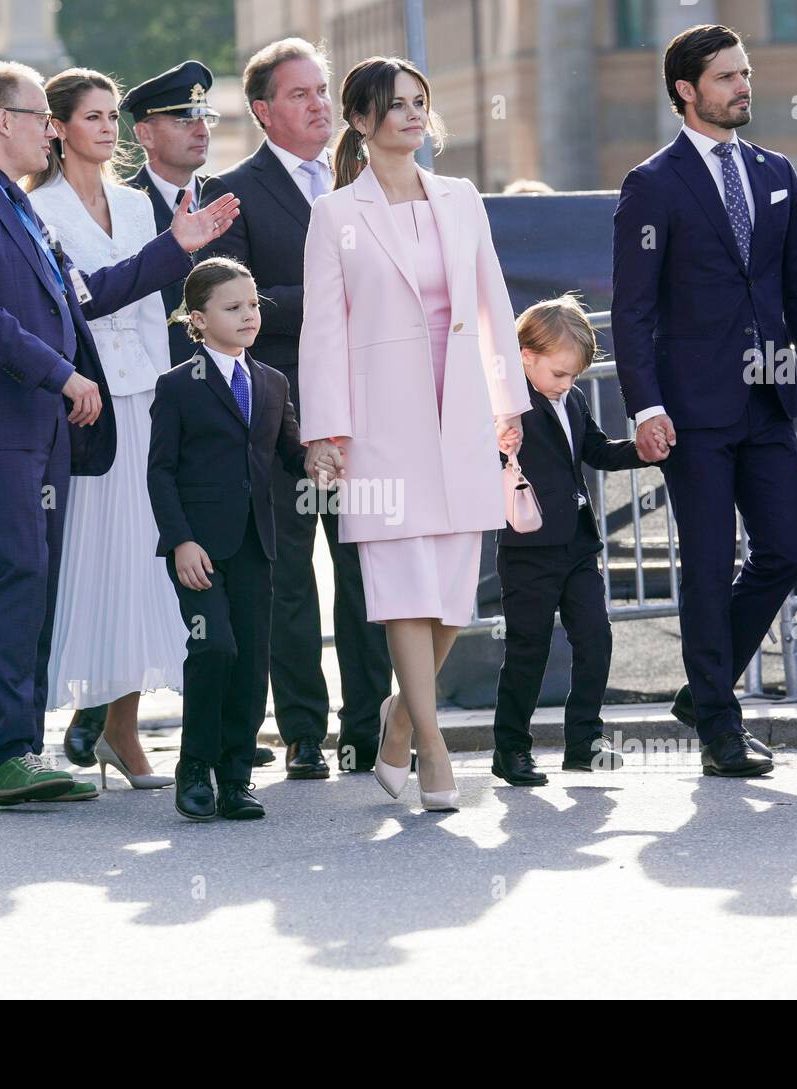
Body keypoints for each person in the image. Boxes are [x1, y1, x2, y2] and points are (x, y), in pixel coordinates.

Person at [0, 61, 236, 806]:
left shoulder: (14, 206)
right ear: (5, 122)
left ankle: (21, 749)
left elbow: (87, 295)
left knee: (36, 577)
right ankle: (6, 753)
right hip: (1, 417)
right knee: (19, 573)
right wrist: (61, 373)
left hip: (46, 421)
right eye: (41, 117)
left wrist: (173, 246)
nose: (50, 129)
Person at [612, 24, 797, 777]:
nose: (743, 87)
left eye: (745, 74)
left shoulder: (775, 171)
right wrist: (646, 407)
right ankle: (720, 723)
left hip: (769, 397)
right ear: (687, 90)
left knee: (786, 551)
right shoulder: (651, 184)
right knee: (710, 565)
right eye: (726, 78)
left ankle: (701, 688)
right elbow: (632, 310)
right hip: (691, 411)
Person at [299, 57, 531, 812]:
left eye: (417, 102)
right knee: (404, 589)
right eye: (392, 105)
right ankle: (433, 748)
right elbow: (322, 330)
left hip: (461, 411)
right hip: (381, 424)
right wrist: (327, 431)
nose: (409, 114)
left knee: (454, 598)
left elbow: (493, 299)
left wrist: (508, 397)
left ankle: (402, 716)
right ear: (360, 121)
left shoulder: (462, 198)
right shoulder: (336, 214)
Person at [201, 38, 392, 779]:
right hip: (278, 420)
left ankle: (366, 730)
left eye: (322, 92)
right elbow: (234, 301)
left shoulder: (370, 183)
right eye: (300, 95)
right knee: (286, 586)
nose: (319, 105)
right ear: (262, 112)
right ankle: (305, 731)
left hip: (368, 411)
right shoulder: (233, 193)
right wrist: (338, 302)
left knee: (365, 576)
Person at [26, 67, 181, 791]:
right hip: (84, 405)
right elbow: (73, 303)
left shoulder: (136, 203)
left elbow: (150, 305)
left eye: (114, 115)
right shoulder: (39, 210)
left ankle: (122, 725)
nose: (108, 129)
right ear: (56, 126)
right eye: (93, 116)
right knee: (89, 561)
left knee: (145, 561)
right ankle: (65, 720)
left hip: (146, 391)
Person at [147, 258, 329, 821]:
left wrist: (316, 460)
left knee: (251, 660)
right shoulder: (177, 386)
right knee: (213, 648)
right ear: (198, 320)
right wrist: (180, 541)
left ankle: (236, 777)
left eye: (253, 305)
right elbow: (160, 471)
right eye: (233, 308)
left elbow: (289, 453)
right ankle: (195, 767)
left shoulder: (273, 382)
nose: (249, 315)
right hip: (199, 550)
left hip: (256, 545)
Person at [491, 296, 652, 786]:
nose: (567, 384)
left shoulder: (573, 400)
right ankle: (511, 748)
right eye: (559, 374)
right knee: (528, 647)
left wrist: (644, 450)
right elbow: (482, 459)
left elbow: (597, 452)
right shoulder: (504, 405)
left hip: (579, 545)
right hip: (528, 549)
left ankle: (584, 741)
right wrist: (495, 445)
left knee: (595, 637)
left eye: (574, 376)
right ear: (525, 357)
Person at [125, 59, 219, 369]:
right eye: (184, 120)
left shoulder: (223, 195)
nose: (202, 131)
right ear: (145, 134)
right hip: (154, 374)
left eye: (204, 118)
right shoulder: (122, 205)